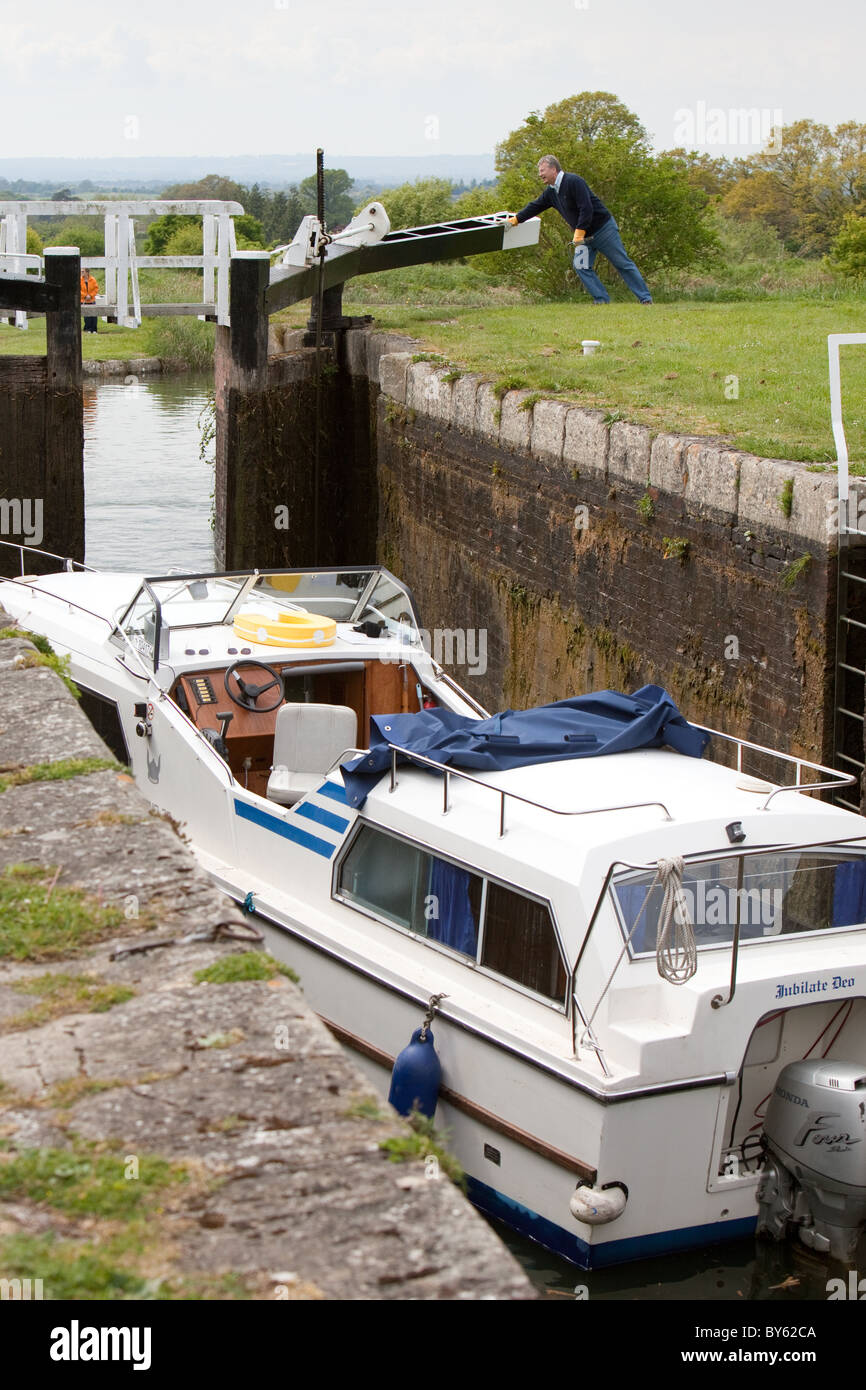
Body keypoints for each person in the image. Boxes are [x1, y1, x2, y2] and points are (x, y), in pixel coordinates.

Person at [509, 156, 652, 305]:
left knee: (622, 263)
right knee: (581, 266)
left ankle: (645, 298)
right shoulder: (551, 192)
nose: (540, 174)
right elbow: (535, 206)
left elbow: (586, 208)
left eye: (542, 170)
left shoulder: (573, 181)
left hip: (603, 230)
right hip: (583, 237)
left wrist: (579, 232)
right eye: (539, 171)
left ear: (553, 169)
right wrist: (516, 220)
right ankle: (601, 300)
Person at [80, 268, 99, 333]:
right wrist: (85, 295)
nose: (81, 273)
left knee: (94, 316)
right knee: (87, 316)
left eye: (83, 271)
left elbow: (96, 289)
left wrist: (91, 295)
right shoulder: (79, 280)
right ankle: (87, 329)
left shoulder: (93, 280)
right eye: (81, 271)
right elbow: (78, 290)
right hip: (83, 300)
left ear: (87, 272)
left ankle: (94, 329)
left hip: (91, 300)